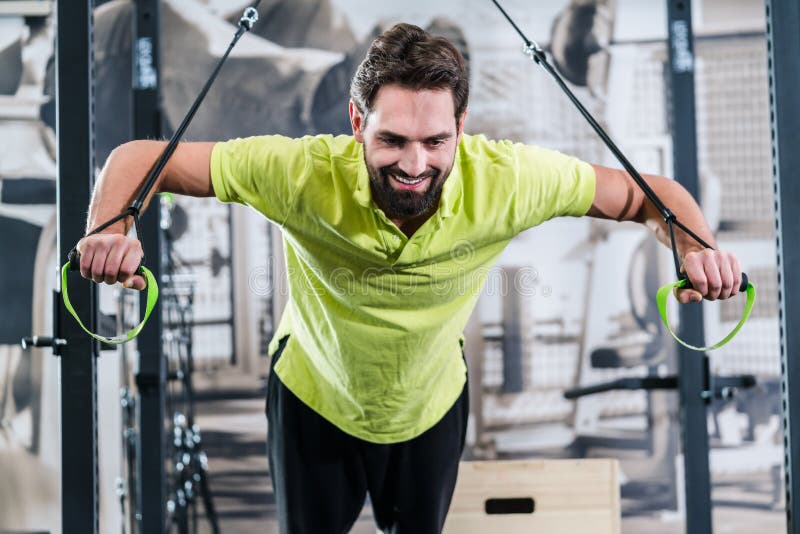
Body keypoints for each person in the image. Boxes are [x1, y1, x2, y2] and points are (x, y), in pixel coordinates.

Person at [77, 22, 742, 534]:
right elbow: (140, 159)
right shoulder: (298, 173)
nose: (414, 164)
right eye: (392, 141)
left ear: (462, 129)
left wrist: (696, 247)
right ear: (357, 124)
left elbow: (646, 194)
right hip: (316, 396)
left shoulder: (509, 180)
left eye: (435, 142)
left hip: (428, 404)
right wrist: (112, 228)